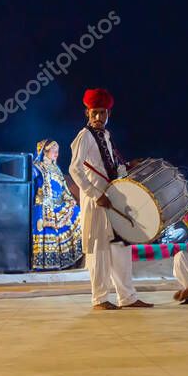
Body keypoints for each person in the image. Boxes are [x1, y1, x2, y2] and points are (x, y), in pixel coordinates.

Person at [68, 88, 153, 310]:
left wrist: (128, 167)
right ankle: (100, 298)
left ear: (109, 114)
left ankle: (128, 297)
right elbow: (75, 169)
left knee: (121, 248)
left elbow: (112, 168)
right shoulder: (84, 136)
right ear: (87, 113)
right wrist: (96, 194)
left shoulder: (106, 135)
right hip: (97, 201)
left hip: (113, 200)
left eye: (102, 112)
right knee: (100, 250)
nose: (98, 117)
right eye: (94, 112)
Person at [31, 139, 83, 270]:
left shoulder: (57, 169)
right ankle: (45, 264)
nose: (56, 154)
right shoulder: (38, 167)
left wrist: (70, 199)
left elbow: (63, 188)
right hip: (45, 207)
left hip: (59, 206)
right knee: (47, 234)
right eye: (53, 151)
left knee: (78, 213)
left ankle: (67, 261)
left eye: (57, 151)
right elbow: (29, 178)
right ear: (45, 152)